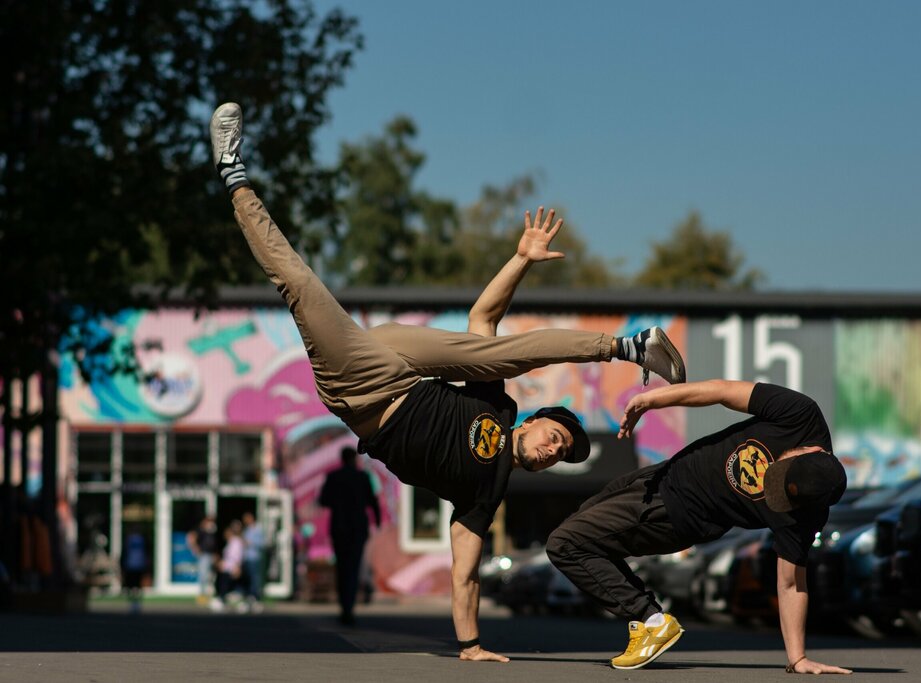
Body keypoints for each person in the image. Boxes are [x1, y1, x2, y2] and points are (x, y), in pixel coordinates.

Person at [210, 102, 685, 661]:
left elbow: (466, 573)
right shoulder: (500, 408)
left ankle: (232, 176)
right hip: (408, 365)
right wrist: (520, 260)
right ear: (534, 421)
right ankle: (628, 347)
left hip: (359, 383)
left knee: (299, 285)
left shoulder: (485, 494)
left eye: (559, 456)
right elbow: (484, 318)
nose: (552, 451)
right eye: (555, 438)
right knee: (500, 356)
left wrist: (471, 644)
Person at [546, 380, 853, 674]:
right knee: (578, 534)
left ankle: (651, 621)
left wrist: (798, 658)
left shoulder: (805, 517)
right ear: (809, 451)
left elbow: (791, 584)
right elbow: (722, 391)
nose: (768, 478)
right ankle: (650, 619)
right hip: (660, 476)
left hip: (673, 514)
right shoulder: (801, 414)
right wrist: (652, 399)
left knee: (565, 544)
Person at [318, 445, 381, 625]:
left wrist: (338, 503)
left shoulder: (333, 477)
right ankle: (349, 607)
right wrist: (377, 522)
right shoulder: (362, 477)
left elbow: (323, 500)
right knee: (353, 568)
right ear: (354, 458)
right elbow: (373, 501)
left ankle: (345, 607)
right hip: (357, 528)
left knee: (342, 568)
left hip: (339, 528)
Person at [211, 520, 246, 612]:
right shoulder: (231, 542)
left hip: (231, 568)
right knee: (226, 585)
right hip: (227, 568)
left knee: (230, 586)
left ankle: (239, 602)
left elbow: (237, 556)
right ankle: (224, 600)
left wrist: (237, 567)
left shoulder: (236, 542)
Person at [187, 515, 218, 603]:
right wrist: (195, 548)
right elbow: (191, 537)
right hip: (204, 555)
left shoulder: (212, 532)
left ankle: (210, 595)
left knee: (211, 577)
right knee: (203, 576)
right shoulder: (200, 530)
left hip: (211, 555)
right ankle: (202, 597)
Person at [241, 512, 266, 612]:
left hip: (255, 557)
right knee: (249, 579)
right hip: (247, 557)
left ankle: (256, 598)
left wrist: (251, 543)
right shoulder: (246, 530)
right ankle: (250, 598)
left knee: (255, 579)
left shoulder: (258, 530)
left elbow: (262, 544)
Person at [121, 525, 148, 614]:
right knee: (137, 583)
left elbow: (125, 552)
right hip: (139, 564)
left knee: (132, 583)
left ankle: (133, 601)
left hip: (131, 564)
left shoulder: (129, 539)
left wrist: (122, 564)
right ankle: (136, 601)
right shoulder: (142, 540)